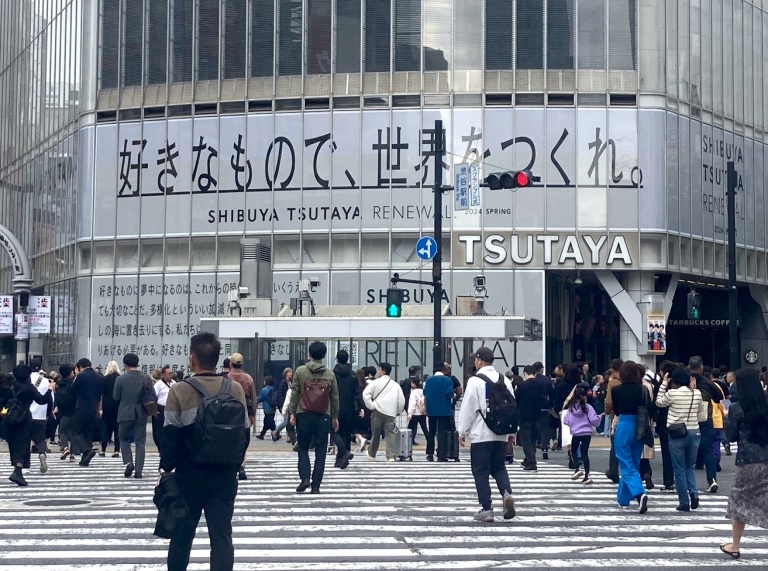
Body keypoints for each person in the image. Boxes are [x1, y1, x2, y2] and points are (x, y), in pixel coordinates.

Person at [160, 332, 248, 571]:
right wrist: (236, 463)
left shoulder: (179, 390)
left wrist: (166, 469)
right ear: (218, 359)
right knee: (221, 537)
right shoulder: (235, 389)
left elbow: (170, 437)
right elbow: (245, 433)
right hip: (225, 475)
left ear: (192, 359)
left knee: (182, 536)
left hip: (189, 475)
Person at [457, 347, 516, 522]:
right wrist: (511, 432)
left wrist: (462, 431)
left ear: (480, 361)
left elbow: (468, 408)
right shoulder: (504, 379)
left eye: (475, 359)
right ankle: (506, 493)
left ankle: (487, 509)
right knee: (499, 467)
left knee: (481, 471)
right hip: (502, 433)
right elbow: (512, 406)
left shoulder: (475, 381)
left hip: (482, 433)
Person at [720, 368, 768, 560]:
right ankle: (734, 545)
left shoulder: (737, 408)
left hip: (748, 461)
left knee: (739, 500)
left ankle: (735, 545)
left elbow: (730, 436)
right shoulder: (765, 404)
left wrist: (726, 415)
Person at [289, 341, 339, 493]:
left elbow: (295, 393)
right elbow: (335, 397)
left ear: (310, 354)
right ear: (324, 355)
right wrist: (335, 417)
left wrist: (292, 413)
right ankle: (316, 486)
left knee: (303, 447)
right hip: (323, 415)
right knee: (321, 451)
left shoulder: (301, 371)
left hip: (303, 413)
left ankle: (305, 478)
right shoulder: (329, 374)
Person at [655, 367, 707, 512]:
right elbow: (699, 410)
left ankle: (684, 501)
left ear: (674, 381)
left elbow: (659, 402)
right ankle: (694, 492)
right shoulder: (696, 393)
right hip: (694, 431)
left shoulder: (672, 394)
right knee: (690, 466)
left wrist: (664, 384)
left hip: (677, 433)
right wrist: (693, 390)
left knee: (679, 468)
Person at [0, 367, 54, 486]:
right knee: (23, 444)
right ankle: (17, 472)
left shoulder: (10, 386)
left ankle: (17, 470)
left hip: (10, 419)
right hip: (24, 419)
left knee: (14, 444)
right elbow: (41, 400)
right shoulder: (29, 387)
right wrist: (50, 390)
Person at [610, 361, 649, 513]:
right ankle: (623, 499)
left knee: (625, 463)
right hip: (639, 427)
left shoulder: (617, 390)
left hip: (624, 425)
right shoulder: (643, 389)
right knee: (633, 463)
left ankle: (639, 494)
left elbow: (617, 411)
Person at [113, 353, 152, 479]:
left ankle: (129, 462)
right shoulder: (146, 378)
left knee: (123, 437)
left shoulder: (121, 379)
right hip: (141, 412)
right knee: (140, 442)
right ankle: (139, 471)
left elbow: (116, 397)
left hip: (125, 411)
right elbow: (151, 395)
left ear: (125, 365)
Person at [362, 362, 404, 462]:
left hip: (377, 411)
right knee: (390, 434)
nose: (378, 371)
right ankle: (390, 456)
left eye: (379, 369)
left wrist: (371, 406)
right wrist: (397, 411)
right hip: (390, 413)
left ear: (383, 371)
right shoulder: (395, 385)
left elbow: (366, 394)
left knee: (375, 434)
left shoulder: (375, 383)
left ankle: (372, 454)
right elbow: (401, 401)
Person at [563, 382, 602, 484]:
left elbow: (567, 421)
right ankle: (587, 475)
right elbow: (594, 421)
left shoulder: (571, 408)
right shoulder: (588, 407)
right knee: (585, 454)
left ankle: (578, 468)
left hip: (576, 433)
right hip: (587, 433)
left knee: (574, 451)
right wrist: (600, 416)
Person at [331, 350, 363, 469]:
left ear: (337, 359)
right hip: (350, 408)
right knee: (346, 433)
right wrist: (360, 407)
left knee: (334, 431)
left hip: (335, 408)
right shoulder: (353, 375)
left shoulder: (333, 374)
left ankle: (343, 453)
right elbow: (357, 392)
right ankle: (342, 459)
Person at [69, 358, 104, 467]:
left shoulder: (81, 376)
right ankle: (85, 459)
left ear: (79, 367)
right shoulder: (98, 377)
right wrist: (98, 410)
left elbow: (72, 390)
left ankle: (86, 450)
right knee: (88, 433)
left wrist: (76, 376)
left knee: (75, 431)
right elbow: (99, 396)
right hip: (93, 408)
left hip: (81, 407)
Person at [423, 363, 455, 462]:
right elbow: (448, 393)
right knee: (442, 433)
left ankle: (430, 453)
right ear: (443, 370)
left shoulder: (429, 380)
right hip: (444, 410)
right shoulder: (447, 380)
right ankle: (441, 455)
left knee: (431, 432)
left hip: (431, 410)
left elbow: (425, 393)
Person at [515, 364, 543, 472]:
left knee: (525, 440)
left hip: (524, 416)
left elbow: (516, 399)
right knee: (533, 440)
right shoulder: (540, 385)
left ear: (525, 374)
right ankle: (528, 460)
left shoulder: (522, 386)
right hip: (537, 415)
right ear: (535, 374)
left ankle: (531, 462)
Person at [26, 358, 51, 474]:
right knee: (40, 439)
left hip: (27, 414)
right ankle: (42, 453)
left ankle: (24, 461)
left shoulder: (26, 380)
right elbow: (51, 398)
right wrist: (48, 412)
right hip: (41, 414)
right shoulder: (46, 381)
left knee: (25, 438)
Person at [54, 365, 77, 461]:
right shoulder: (73, 383)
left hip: (63, 411)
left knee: (63, 431)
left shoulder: (58, 384)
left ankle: (65, 447)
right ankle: (72, 454)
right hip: (74, 410)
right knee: (73, 432)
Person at [100, 360, 121, 458]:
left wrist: (100, 408)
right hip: (117, 406)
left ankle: (103, 449)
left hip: (106, 405)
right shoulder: (120, 378)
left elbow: (101, 394)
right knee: (117, 429)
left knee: (105, 428)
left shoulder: (104, 379)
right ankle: (116, 450)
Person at [153, 365, 175, 453]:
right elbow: (153, 397)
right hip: (160, 409)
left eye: (171, 373)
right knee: (159, 431)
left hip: (171, 409)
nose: (171, 375)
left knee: (169, 430)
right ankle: (161, 449)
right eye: (169, 373)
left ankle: (167, 449)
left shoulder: (174, 383)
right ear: (163, 375)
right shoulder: (158, 384)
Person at [272, 368, 294, 443]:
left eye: (291, 372)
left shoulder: (291, 382)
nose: (291, 373)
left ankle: (290, 437)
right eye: (289, 372)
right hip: (284, 404)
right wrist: (281, 405)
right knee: (286, 421)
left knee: (288, 421)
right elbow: (280, 393)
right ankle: (275, 431)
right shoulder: (283, 382)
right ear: (286, 373)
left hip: (289, 405)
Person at [407, 378, 428, 445]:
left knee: (410, 429)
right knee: (425, 429)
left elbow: (412, 404)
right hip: (423, 413)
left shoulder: (413, 392)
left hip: (415, 414)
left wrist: (410, 414)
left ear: (414, 384)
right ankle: (430, 441)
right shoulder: (423, 391)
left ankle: (407, 443)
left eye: (412, 383)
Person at [255, 376, 277, 440]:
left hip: (267, 408)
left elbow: (260, 398)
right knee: (267, 421)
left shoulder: (265, 390)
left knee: (269, 421)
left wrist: (253, 401)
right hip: (273, 407)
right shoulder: (273, 389)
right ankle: (262, 434)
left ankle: (275, 433)